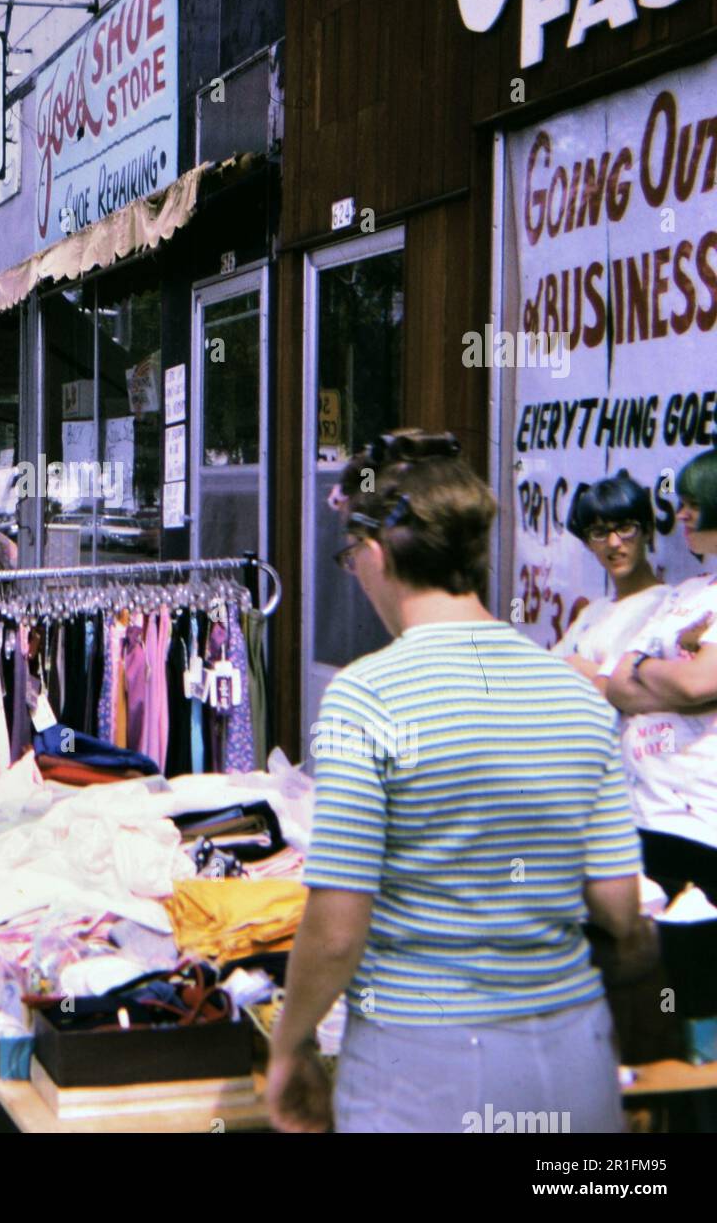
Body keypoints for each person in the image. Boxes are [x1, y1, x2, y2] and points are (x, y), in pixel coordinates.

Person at [267, 431, 650, 1133]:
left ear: (376, 552)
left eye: (351, 557)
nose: (356, 572)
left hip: (425, 1065)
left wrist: (290, 1047)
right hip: (572, 1052)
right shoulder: (573, 690)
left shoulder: (367, 695)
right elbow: (620, 906)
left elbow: (336, 927)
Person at [606, 448, 717, 905]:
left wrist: (646, 672)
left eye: (694, 503)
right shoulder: (686, 594)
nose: (683, 514)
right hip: (643, 815)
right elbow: (617, 683)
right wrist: (660, 675)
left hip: (701, 822)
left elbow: (699, 683)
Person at [552, 471, 666, 689]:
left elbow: (646, 689)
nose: (613, 542)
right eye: (600, 532)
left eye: (625, 528)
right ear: (588, 543)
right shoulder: (593, 612)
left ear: (648, 532)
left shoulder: (667, 604)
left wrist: (580, 668)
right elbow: (546, 670)